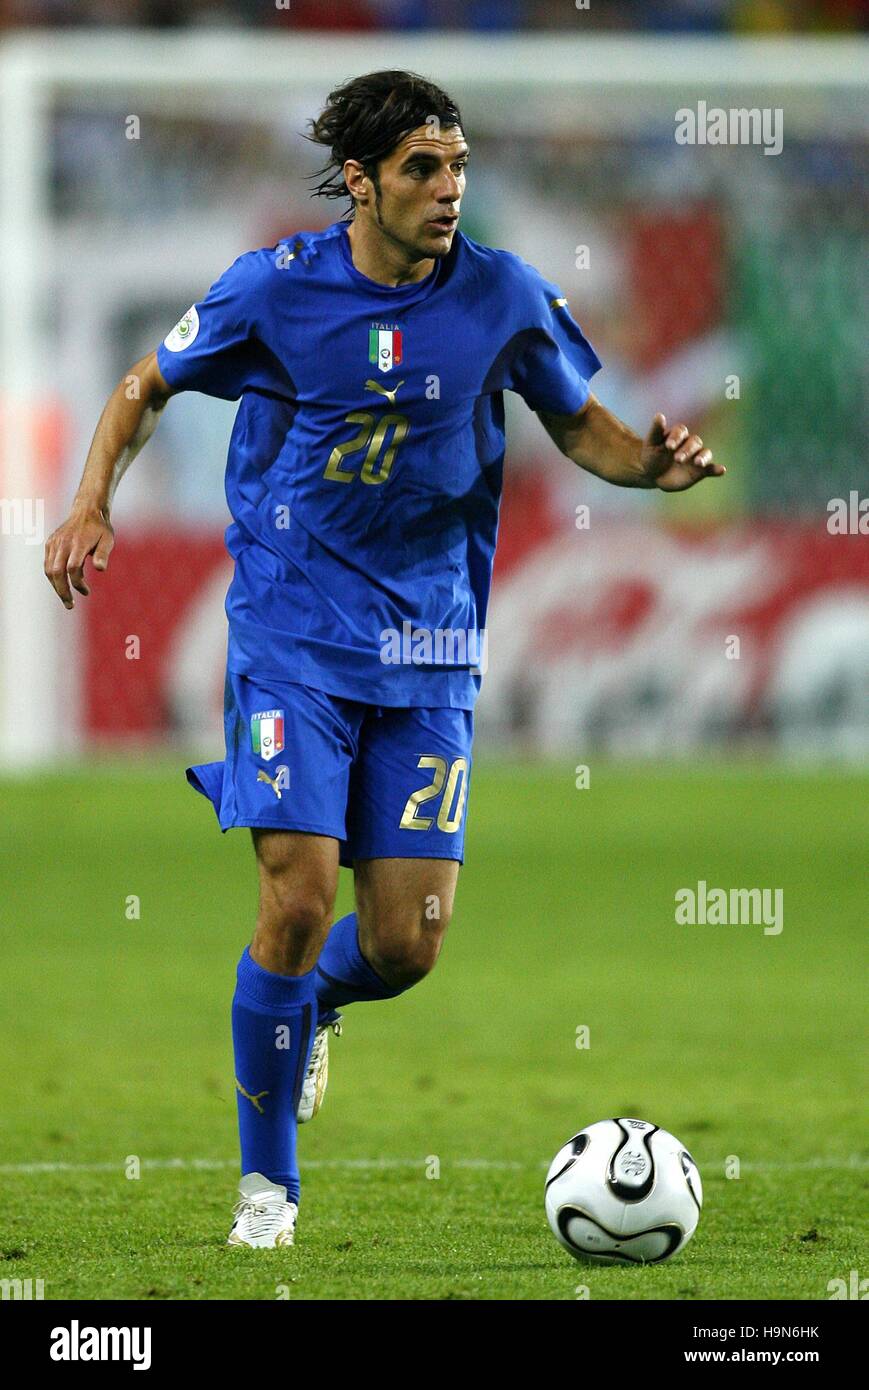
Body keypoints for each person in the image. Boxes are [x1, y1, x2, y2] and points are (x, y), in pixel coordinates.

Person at [44, 69, 723, 1248]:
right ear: (358, 180)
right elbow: (141, 385)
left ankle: (311, 1008)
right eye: (422, 168)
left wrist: (648, 468)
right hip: (291, 635)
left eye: (458, 165)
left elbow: (579, 423)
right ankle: (269, 1194)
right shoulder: (275, 291)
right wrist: (89, 498)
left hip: (429, 648)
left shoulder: (502, 295)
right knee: (296, 896)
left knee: (406, 943)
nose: (449, 188)